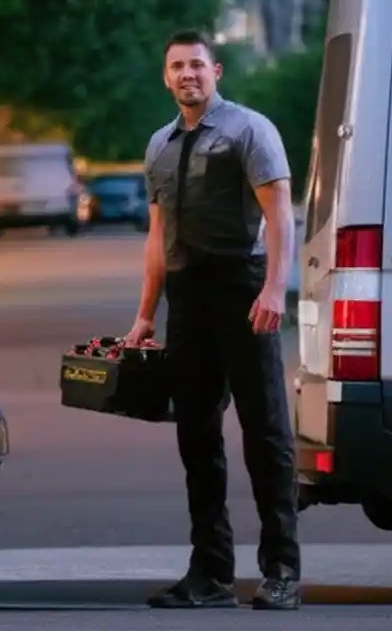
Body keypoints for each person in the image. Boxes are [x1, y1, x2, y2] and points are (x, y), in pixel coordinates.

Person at [124, 30, 301, 611]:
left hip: (243, 289)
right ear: (165, 77)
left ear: (216, 70)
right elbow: (157, 237)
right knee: (196, 437)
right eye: (176, 66)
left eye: (196, 65)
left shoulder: (249, 129)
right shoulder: (159, 145)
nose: (187, 75)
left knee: (266, 432)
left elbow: (278, 214)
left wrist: (276, 287)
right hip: (188, 296)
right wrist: (147, 314)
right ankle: (210, 573)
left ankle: (281, 571)